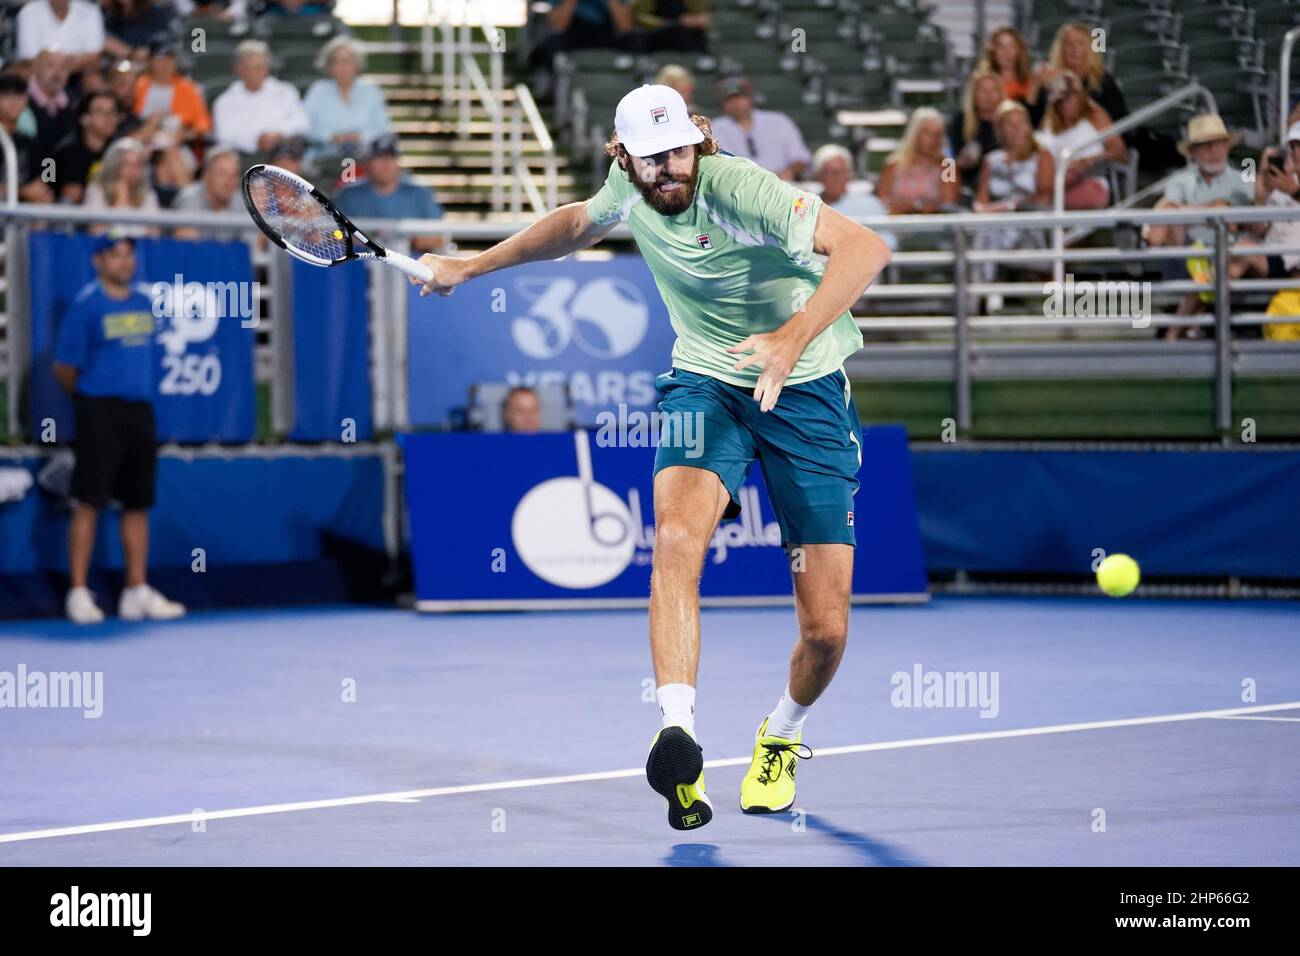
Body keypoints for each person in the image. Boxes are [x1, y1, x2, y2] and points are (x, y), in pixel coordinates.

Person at [411, 84, 892, 830]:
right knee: (674, 537)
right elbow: (574, 225)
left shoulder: (741, 188)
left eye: (677, 152)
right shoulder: (627, 187)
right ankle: (679, 732)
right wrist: (466, 268)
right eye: (650, 158)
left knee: (826, 631)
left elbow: (867, 247)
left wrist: (789, 339)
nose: (669, 169)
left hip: (806, 390)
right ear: (622, 157)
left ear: (697, 139)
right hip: (706, 384)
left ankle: (782, 735)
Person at [52, 235, 187, 625]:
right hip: (98, 412)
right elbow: (64, 369)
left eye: (130, 255)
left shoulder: (145, 304)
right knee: (89, 501)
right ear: (98, 261)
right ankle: (77, 592)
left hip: (140, 413)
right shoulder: (86, 308)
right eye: (116, 255)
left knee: (138, 502)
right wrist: (93, 401)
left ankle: (135, 590)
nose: (125, 262)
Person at [1144, 114, 1252, 340]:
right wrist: (1209, 212)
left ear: (1226, 146)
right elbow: (1172, 211)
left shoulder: (1243, 179)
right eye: (1205, 145)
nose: (1214, 150)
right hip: (1189, 253)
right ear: (1193, 152)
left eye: (1218, 143)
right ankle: (1188, 322)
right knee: (1169, 219)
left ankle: (1175, 333)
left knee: (1181, 220)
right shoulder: (1180, 180)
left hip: (1225, 254)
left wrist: (1186, 210)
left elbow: (1231, 214)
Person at [972, 100, 1054, 285]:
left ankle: (990, 287)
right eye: (1010, 124)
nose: (1016, 129)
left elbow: (1044, 196)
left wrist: (1009, 206)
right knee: (985, 230)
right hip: (995, 221)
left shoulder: (1042, 155)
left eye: (1021, 123)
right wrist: (988, 211)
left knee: (995, 232)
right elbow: (980, 203)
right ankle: (985, 293)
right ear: (1000, 129)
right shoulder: (991, 160)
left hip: (1030, 220)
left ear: (1028, 126)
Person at [334, 134, 445, 253]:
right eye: (379, 157)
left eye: (391, 157)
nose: (386, 163)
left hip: (413, 262)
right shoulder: (349, 195)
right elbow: (334, 233)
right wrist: (368, 241)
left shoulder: (420, 194)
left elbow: (439, 237)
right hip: (359, 263)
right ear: (367, 163)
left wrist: (409, 241)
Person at [1034, 71, 1125, 210]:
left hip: (1087, 180)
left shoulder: (1094, 115)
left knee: (1047, 189)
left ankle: (1030, 203)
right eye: (1059, 101)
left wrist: (1090, 160)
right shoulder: (1050, 120)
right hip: (1054, 177)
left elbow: (1120, 151)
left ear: (1080, 96)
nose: (1064, 105)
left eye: (1069, 99)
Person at [210, 39, 310, 158]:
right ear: (238, 70)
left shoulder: (286, 91)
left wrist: (278, 134)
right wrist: (257, 140)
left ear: (268, 68)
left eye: (260, 67)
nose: (256, 72)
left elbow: (302, 123)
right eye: (250, 67)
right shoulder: (225, 101)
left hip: (282, 153)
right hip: (243, 158)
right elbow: (224, 137)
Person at [303, 36, 391, 169]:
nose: (342, 67)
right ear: (329, 66)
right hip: (324, 160)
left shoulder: (371, 90)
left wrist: (359, 136)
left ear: (357, 65)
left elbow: (383, 128)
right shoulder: (318, 90)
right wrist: (332, 137)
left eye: (347, 61)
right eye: (336, 62)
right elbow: (305, 127)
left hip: (365, 159)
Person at [709, 75, 810, 181]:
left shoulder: (778, 121)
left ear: (750, 98)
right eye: (730, 99)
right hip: (742, 186)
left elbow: (801, 159)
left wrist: (790, 172)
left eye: (740, 97)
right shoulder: (715, 128)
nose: (736, 103)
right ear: (722, 103)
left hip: (783, 184)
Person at [810, 143, 895, 251]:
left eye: (842, 172)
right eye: (830, 172)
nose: (837, 178)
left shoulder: (870, 205)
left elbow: (888, 242)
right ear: (819, 176)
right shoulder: (806, 206)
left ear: (849, 175)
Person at [878, 107, 960, 214]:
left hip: (934, 225)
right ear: (915, 134)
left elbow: (948, 204)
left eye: (938, 134)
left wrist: (915, 207)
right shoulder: (893, 165)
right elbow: (882, 203)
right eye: (927, 133)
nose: (934, 140)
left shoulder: (948, 166)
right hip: (897, 224)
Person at [51, 89, 122, 203]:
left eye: (113, 112)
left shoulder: (117, 147)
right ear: (84, 119)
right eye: (100, 111)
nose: (109, 118)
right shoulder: (68, 151)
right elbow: (72, 196)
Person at [82, 137, 162, 235]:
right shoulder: (97, 191)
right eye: (126, 165)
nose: (133, 171)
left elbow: (154, 236)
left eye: (138, 166)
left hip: (140, 249)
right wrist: (121, 201)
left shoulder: (148, 195)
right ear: (114, 166)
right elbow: (99, 233)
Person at [0, 73, 55, 203]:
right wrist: (23, 191)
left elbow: (48, 178)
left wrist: (45, 185)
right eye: (6, 95)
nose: (13, 101)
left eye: (19, 95)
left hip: (24, 216)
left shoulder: (30, 142)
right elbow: (29, 190)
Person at [16, 0, 106, 75]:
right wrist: (62, 64)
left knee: (94, 79)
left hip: (80, 74)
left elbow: (94, 56)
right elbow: (29, 59)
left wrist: (61, 65)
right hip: (40, 74)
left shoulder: (90, 11)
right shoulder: (28, 12)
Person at [172, 146, 241, 240]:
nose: (229, 182)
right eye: (223, 174)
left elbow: (252, 249)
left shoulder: (242, 203)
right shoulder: (189, 200)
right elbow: (188, 248)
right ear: (206, 176)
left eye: (234, 175)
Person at [950, 69, 1004, 177]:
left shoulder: (1009, 121)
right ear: (974, 95)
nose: (989, 96)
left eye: (993, 90)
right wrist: (959, 163)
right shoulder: (961, 121)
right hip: (968, 183)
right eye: (983, 91)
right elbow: (948, 166)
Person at [976, 26, 1038, 107]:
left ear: (1019, 51)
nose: (1007, 53)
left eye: (1012, 47)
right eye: (1001, 47)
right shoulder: (983, 82)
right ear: (993, 52)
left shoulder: (1032, 81)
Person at [628, 0, 710, 53]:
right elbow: (639, 16)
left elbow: (703, 18)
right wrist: (666, 23)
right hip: (656, 34)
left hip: (684, 35)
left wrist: (695, 20)